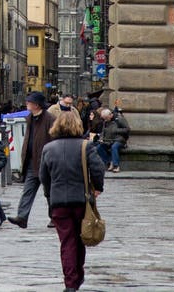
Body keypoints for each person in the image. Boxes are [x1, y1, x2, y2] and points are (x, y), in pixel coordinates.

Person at [40, 111, 105, 292]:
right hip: (81, 201)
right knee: (81, 238)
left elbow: (44, 177)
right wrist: (98, 187)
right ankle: (77, 276)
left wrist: (50, 195)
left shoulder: (48, 148)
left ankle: (70, 281)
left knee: (67, 242)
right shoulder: (86, 146)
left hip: (58, 203)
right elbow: (98, 168)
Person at [8, 91, 55, 228]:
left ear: (37, 105)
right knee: (28, 190)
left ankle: (54, 218)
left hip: (45, 162)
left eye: (29, 102)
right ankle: (22, 217)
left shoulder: (50, 119)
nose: (27, 103)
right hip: (31, 161)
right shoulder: (30, 118)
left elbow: (54, 140)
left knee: (49, 192)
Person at [96, 107, 130, 173]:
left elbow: (127, 129)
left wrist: (116, 130)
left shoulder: (119, 119)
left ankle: (116, 166)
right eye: (104, 118)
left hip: (119, 140)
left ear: (110, 115)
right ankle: (109, 161)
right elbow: (103, 131)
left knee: (114, 147)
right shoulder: (105, 121)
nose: (105, 120)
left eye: (106, 118)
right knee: (98, 148)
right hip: (108, 140)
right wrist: (101, 138)